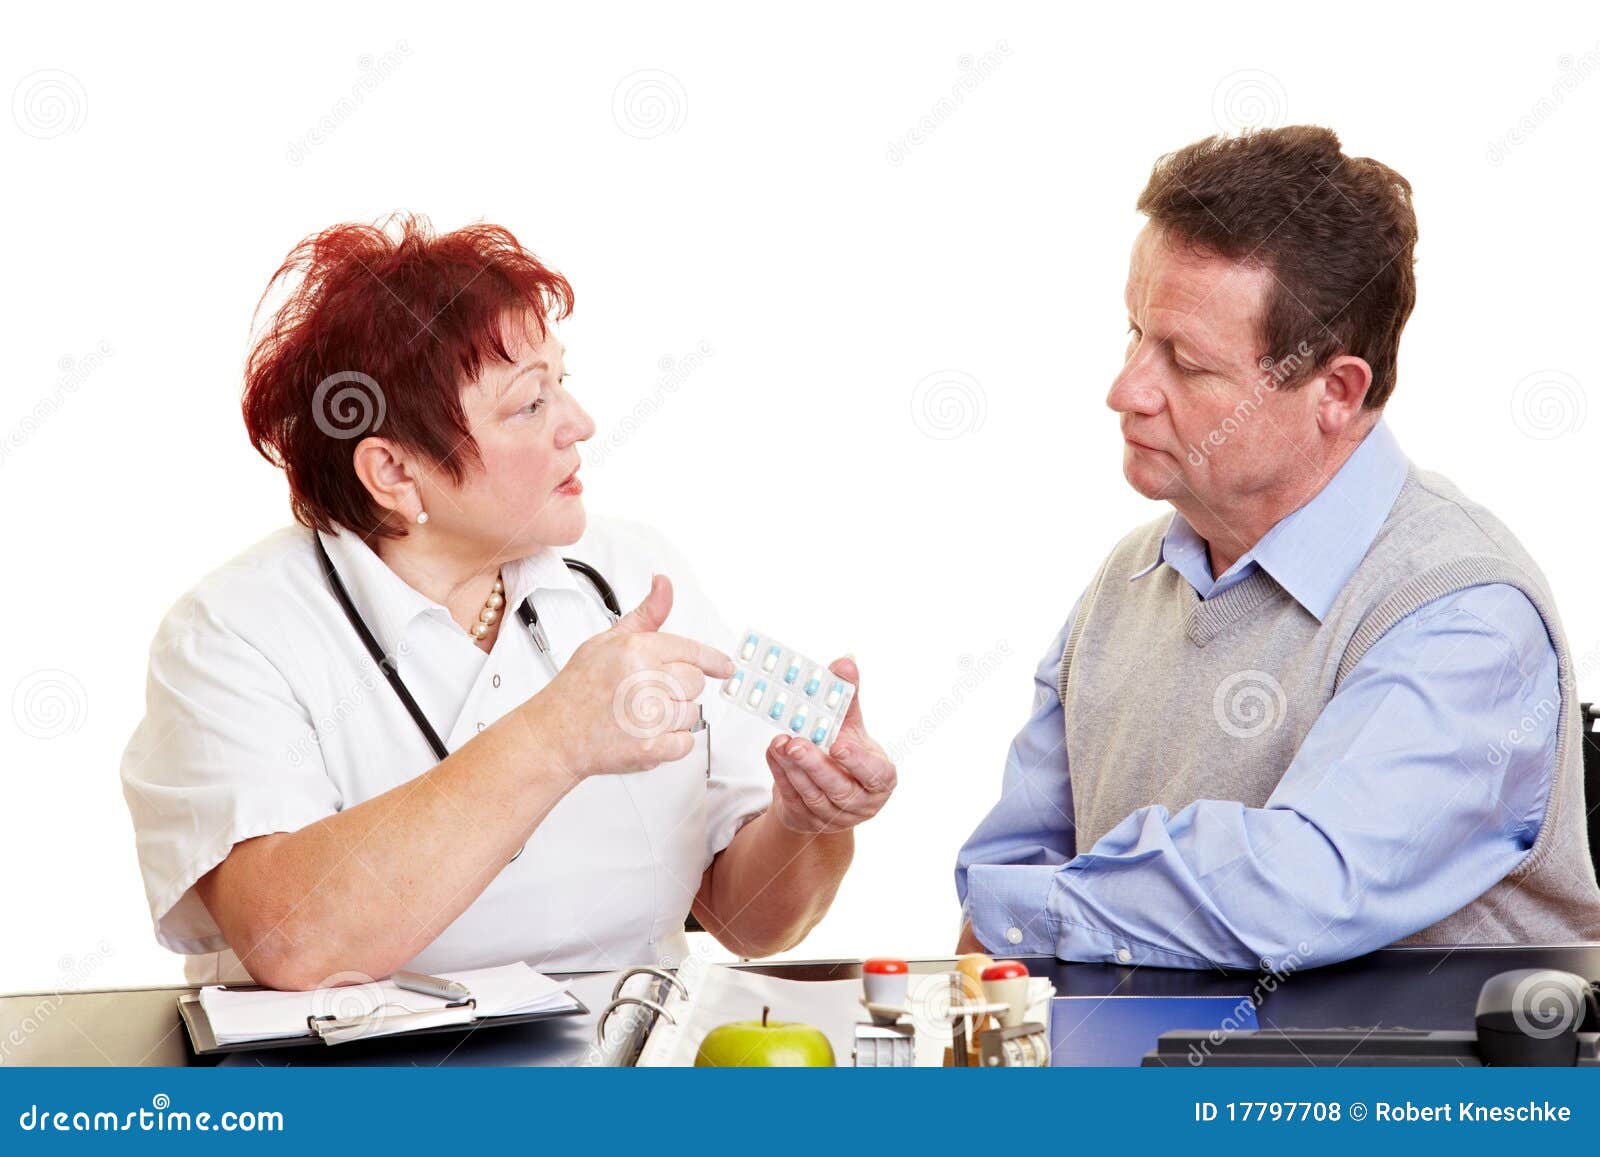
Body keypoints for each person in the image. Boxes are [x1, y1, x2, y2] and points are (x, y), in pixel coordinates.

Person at [120, 213, 896, 989]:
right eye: (529, 404)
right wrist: (558, 732)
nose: (580, 424)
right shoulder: (234, 631)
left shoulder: (630, 571)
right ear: (393, 471)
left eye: (563, 382)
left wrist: (806, 821)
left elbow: (749, 919)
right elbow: (294, 943)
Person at [956, 126, 1600, 970]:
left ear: (1335, 391)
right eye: (1134, 333)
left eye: (1185, 362)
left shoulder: (1462, 613)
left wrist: (1025, 911)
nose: (1125, 390)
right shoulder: (1130, 578)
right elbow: (1010, 878)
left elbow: (1296, 895)